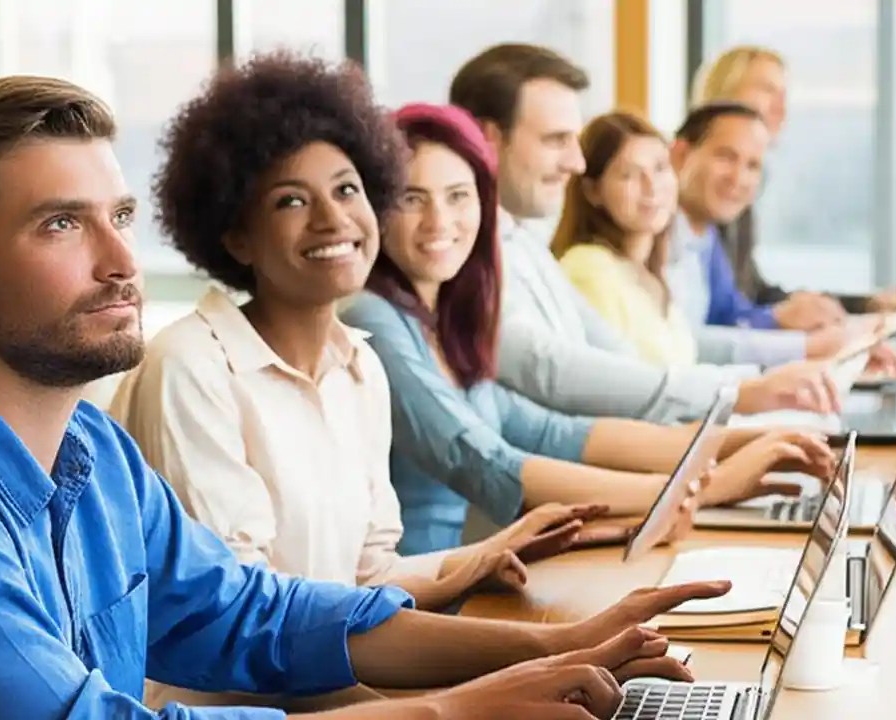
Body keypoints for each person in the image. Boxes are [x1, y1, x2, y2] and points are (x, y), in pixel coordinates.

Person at [0, 70, 732, 720]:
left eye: (120, 218)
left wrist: (557, 644)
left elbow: (249, 615)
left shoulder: (92, 455)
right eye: (62, 225)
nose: (119, 263)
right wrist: (455, 709)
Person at [110, 53, 602, 621]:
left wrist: (487, 556)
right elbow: (245, 615)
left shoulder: (360, 365)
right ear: (238, 237)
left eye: (347, 190)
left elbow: (372, 575)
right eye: (291, 200)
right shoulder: (190, 366)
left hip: (326, 678)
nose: (332, 219)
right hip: (240, 705)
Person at [341, 102, 834, 556]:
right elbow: (487, 464)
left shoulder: (446, 320)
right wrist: (705, 486)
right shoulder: (374, 319)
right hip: (425, 603)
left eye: (458, 196)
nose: (439, 220)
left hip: (470, 580)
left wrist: (760, 441)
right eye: (412, 199)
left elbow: (557, 433)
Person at [447, 43, 844, 423]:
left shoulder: (524, 244)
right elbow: (553, 372)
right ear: (487, 138)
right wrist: (742, 393)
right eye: (556, 140)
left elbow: (629, 361)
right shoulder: (470, 258)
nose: (576, 161)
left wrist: (748, 391)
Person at [669, 101, 896, 374]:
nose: (738, 178)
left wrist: (833, 338)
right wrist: (808, 345)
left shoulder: (706, 236)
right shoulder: (658, 238)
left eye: (753, 166)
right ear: (680, 155)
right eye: (725, 157)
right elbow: (682, 343)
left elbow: (730, 315)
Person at [691, 45, 896, 316]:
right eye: (768, 90)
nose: (781, 108)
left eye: (784, 95)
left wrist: (861, 305)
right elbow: (729, 315)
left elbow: (753, 294)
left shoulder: (737, 193)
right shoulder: (708, 191)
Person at [549, 110, 694, 368]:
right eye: (629, 174)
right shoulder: (588, 268)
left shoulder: (651, 271)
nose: (652, 187)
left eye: (661, 168)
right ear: (593, 190)